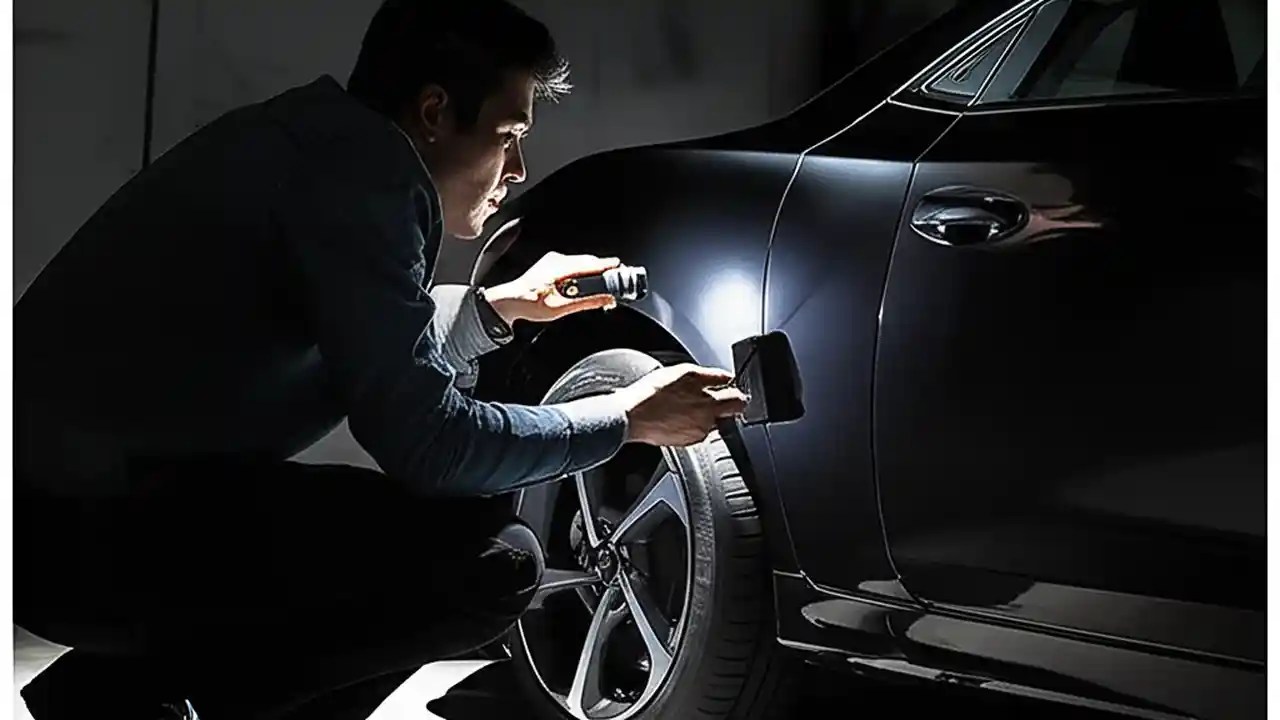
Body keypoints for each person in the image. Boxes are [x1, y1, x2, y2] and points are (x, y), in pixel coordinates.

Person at [13, 1, 748, 718]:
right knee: (490, 562)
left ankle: (108, 695)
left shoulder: (319, 143)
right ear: (434, 112)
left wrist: (498, 309)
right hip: (75, 539)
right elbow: (431, 446)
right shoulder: (366, 179)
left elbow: (369, 344)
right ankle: (134, 697)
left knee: (431, 535)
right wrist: (622, 418)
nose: (518, 168)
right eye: (508, 135)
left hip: (68, 519)